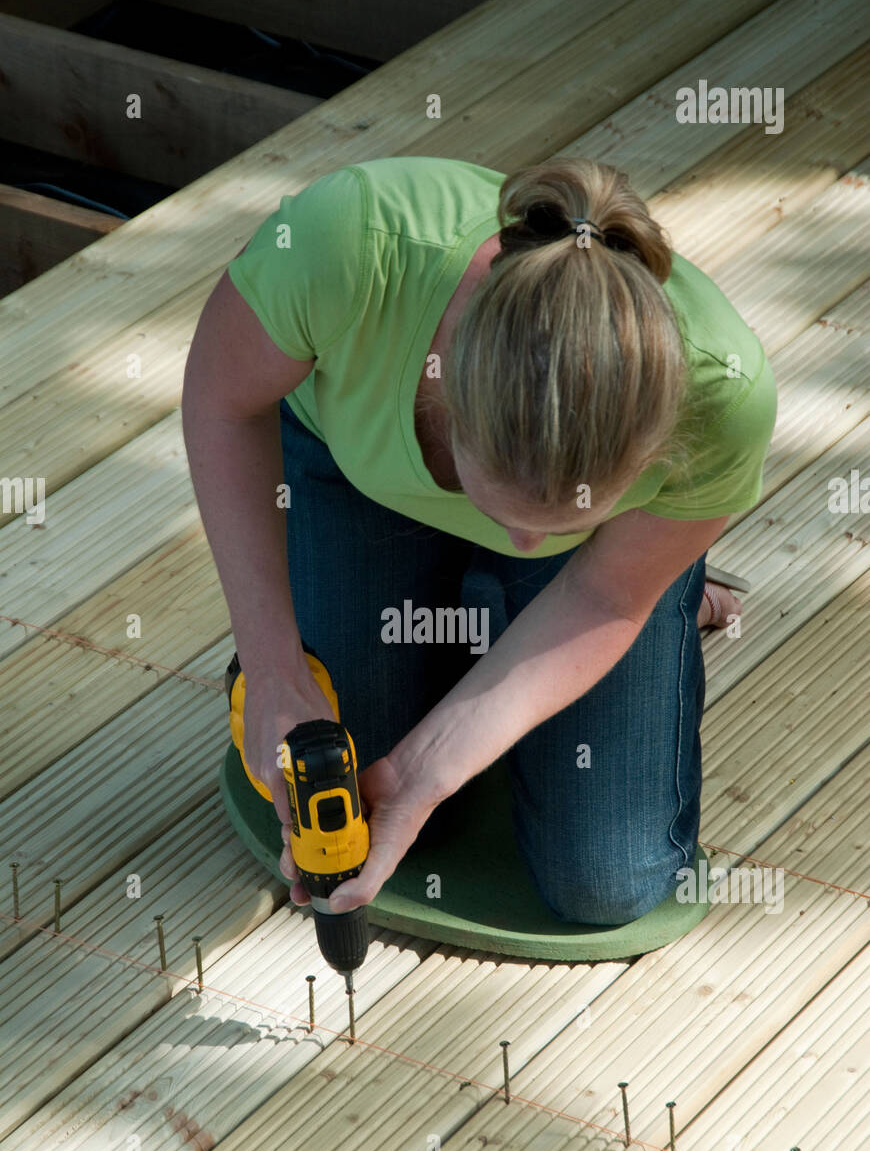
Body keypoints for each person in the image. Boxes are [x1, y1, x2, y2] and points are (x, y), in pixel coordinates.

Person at [181, 156, 777, 927]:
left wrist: (427, 772)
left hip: (599, 573)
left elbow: (601, 589)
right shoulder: (349, 246)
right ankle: (476, 602)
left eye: (557, 524)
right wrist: (271, 668)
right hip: (355, 471)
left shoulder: (721, 395)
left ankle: (655, 585)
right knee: (348, 782)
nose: (523, 540)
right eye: (500, 510)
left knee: (609, 880)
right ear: (444, 392)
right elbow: (221, 403)